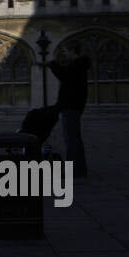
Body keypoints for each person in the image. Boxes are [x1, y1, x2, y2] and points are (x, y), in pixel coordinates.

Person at [49, 47, 90, 177]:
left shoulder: (77, 65)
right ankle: (78, 169)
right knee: (74, 139)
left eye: (66, 51)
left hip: (71, 107)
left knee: (72, 140)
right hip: (73, 106)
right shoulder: (79, 66)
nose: (65, 54)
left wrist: (53, 64)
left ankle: (75, 170)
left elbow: (64, 75)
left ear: (74, 51)